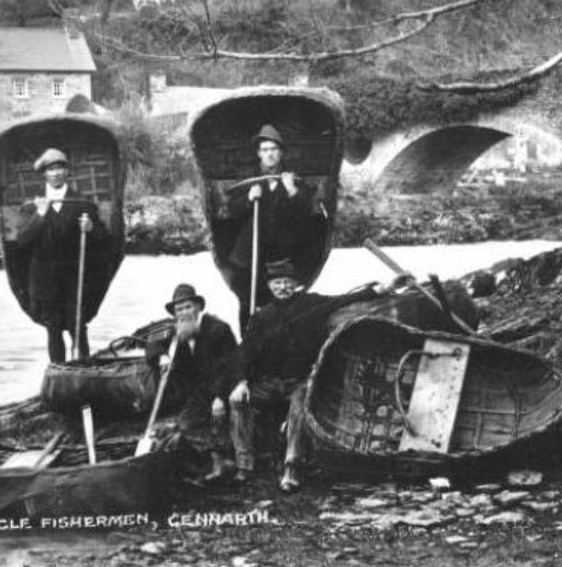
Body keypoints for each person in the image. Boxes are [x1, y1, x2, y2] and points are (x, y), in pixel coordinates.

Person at [225, 259, 411, 492]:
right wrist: (240, 382)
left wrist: (386, 287)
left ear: (296, 284)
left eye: (287, 282)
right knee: (238, 401)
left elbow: (347, 299)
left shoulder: (312, 304)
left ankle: (292, 467)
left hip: (300, 381)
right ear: (270, 286)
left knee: (300, 404)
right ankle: (245, 465)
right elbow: (245, 352)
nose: (282, 287)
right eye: (277, 282)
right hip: (269, 382)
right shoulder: (261, 317)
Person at [17, 148, 111, 363]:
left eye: (60, 167)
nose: (57, 173)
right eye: (51, 169)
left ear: (67, 172)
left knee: (78, 325)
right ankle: (59, 371)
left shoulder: (81, 203)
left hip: (74, 276)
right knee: (53, 328)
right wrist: (40, 215)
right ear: (44, 174)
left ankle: (85, 371)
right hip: (46, 280)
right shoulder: (33, 206)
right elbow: (23, 240)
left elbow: (104, 239)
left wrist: (90, 228)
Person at [226, 124, 316, 331]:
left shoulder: (293, 181)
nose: (270, 154)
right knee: (248, 303)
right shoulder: (249, 179)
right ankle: (248, 345)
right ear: (259, 154)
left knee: (281, 306)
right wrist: (249, 198)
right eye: (265, 150)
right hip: (249, 257)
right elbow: (232, 210)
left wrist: (292, 190)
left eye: (274, 149)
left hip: (279, 258)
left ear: (281, 153)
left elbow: (305, 214)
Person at [145, 283, 238, 480]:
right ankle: (214, 459)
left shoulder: (219, 329)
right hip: (196, 394)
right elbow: (151, 341)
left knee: (217, 420)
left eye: (188, 307)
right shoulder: (177, 331)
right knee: (186, 425)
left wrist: (220, 397)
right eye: (179, 309)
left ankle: (221, 462)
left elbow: (231, 367)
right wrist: (161, 356)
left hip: (221, 390)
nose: (184, 313)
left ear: (198, 307)